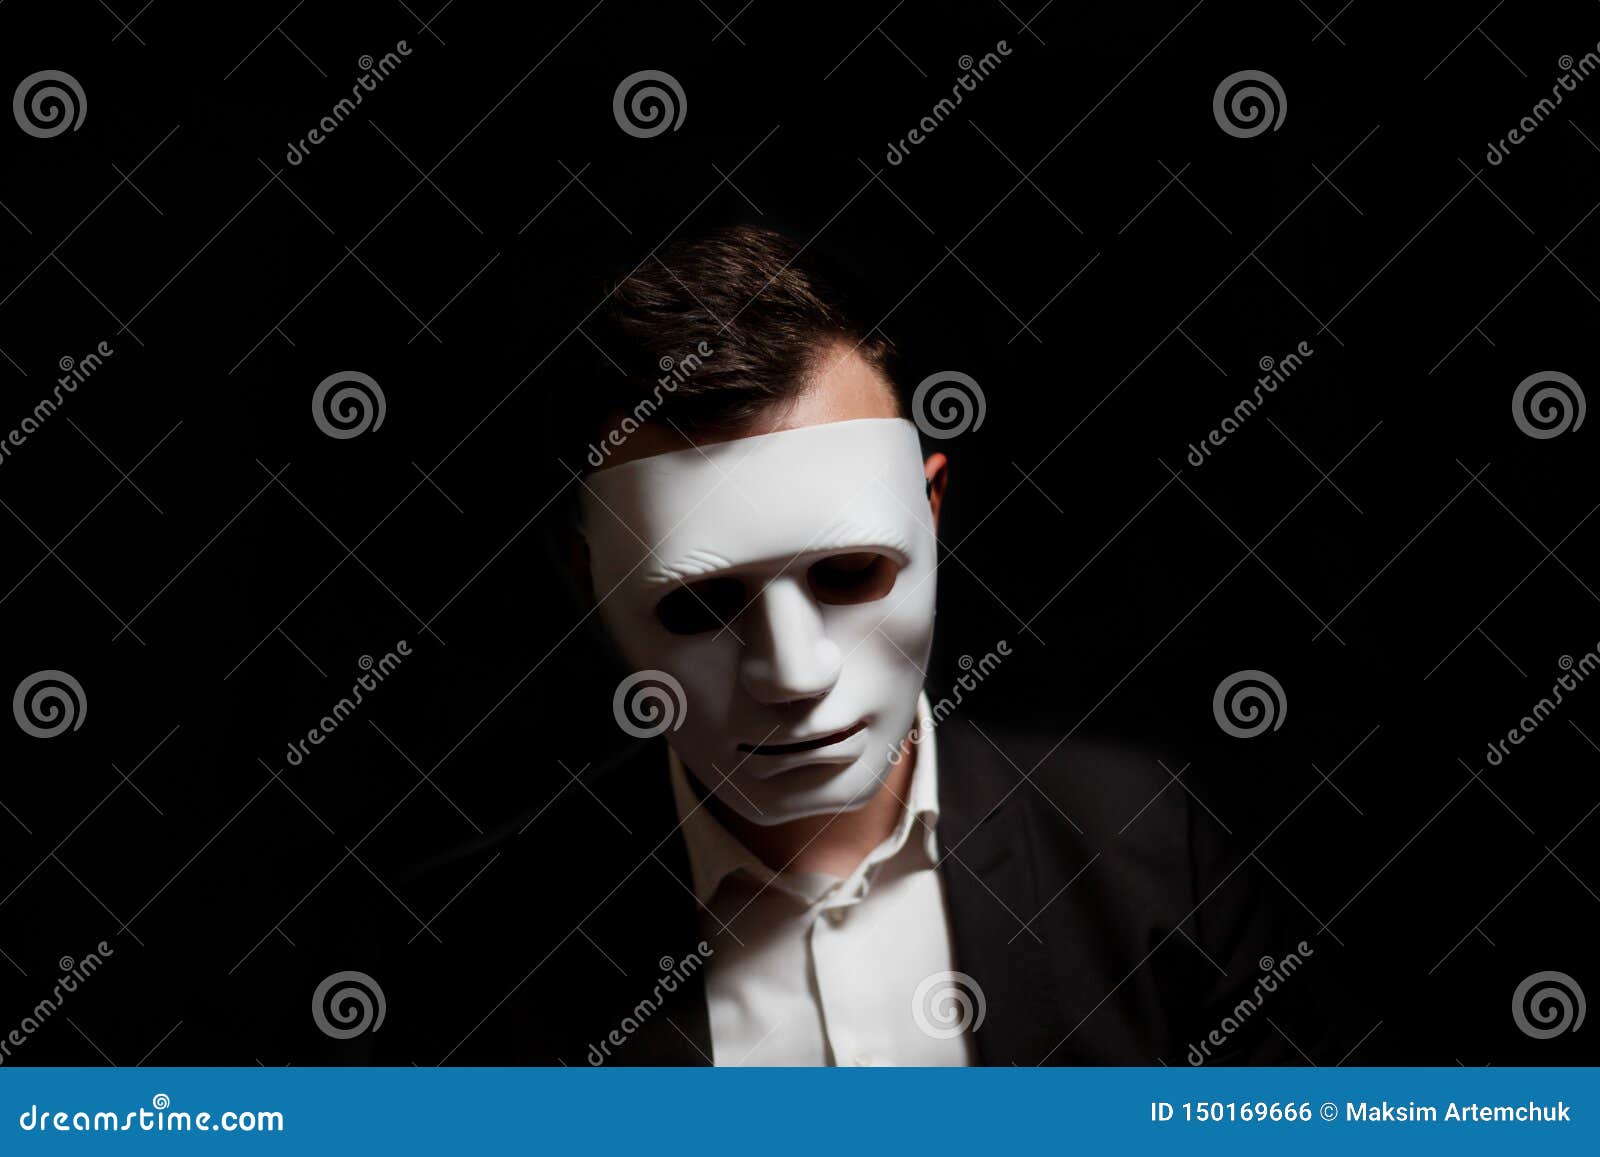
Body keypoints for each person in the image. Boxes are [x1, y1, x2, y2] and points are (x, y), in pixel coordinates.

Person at [324, 225, 1377, 1067]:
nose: (792, 673)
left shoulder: (1150, 851)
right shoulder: (458, 951)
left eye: (847, 573)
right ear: (592, 580)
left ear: (931, 511)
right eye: (700, 602)